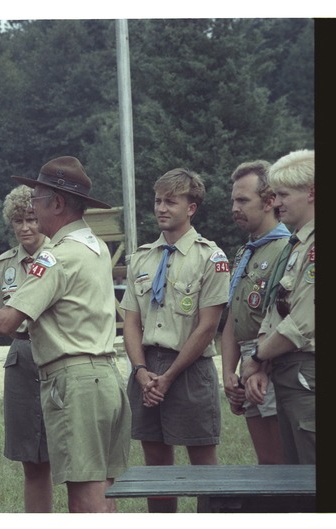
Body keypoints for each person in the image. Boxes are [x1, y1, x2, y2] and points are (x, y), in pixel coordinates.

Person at [0, 156, 131, 513]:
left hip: (75, 381)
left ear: (58, 203)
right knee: (104, 487)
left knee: (85, 495)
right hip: (106, 376)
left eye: (36, 199)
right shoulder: (95, 248)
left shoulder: (57, 257)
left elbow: (7, 321)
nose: (31, 207)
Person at [120, 167, 229, 513]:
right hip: (147, 367)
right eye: (157, 200)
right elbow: (131, 322)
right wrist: (140, 370)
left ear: (191, 207)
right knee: (155, 463)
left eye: (171, 201)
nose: (161, 208)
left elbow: (207, 326)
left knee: (202, 459)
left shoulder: (210, 257)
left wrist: (169, 377)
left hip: (189, 368)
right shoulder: (141, 257)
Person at [239, 149, 315, 465]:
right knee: (294, 474)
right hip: (286, 370)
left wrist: (256, 357)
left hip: (307, 374)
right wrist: (262, 366)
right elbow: (277, 309)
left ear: (312, 193)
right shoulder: (298, 245)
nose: (278, 202)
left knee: (312, 474)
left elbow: (303, 322)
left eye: (284, 194)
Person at [0, 185, 52, 512]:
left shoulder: (60, 256)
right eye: (18, 221)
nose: (25, 227)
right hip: (22, 356)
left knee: (65, 456)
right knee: (30, 457)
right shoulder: (6, 263)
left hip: (55, 353)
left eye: (31, 219)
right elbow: (0, 314)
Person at [220, 160, 289, 465]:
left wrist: (259, 364)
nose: (235, 208)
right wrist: (228, 375)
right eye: (233, 200)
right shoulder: (245, 252)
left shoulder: (287, 248)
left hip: (273, 360)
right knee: (267, 464)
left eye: (243, 200)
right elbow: (233, 319)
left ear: (270, 201)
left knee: (285, 462)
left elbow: (285, 318)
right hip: (249, 361)